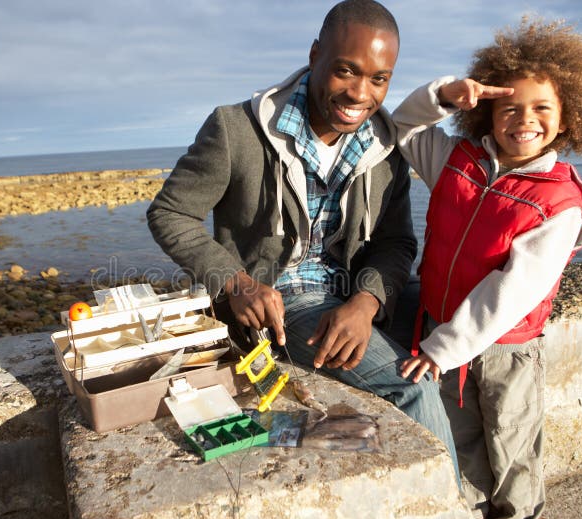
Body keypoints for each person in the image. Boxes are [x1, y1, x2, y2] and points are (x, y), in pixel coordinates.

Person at [147, 0, 459, 471]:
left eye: (379, 79)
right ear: (315, 55)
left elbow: (397, 243)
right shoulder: (237, 129)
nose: (360, 93)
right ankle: (454, 514)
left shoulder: (386, 144)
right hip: (280, 298)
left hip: (353, 289)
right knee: (412, 385)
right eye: (345, 71)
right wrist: (237, 282)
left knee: (465, 330)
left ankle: (493, 500)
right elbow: (170, 212)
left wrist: (366, 303)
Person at [394, 19, 582, 519]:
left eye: (542, 108)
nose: (525, 120)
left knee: (513, 452)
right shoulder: (456, 160)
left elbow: (513, 290)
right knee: (463, 442)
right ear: (488, 113)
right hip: (439, 335)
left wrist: (442, 347)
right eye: (510, 107)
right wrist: (444, 94)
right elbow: (402, 127)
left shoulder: (560, 203)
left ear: (566, 119)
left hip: (505, 351)